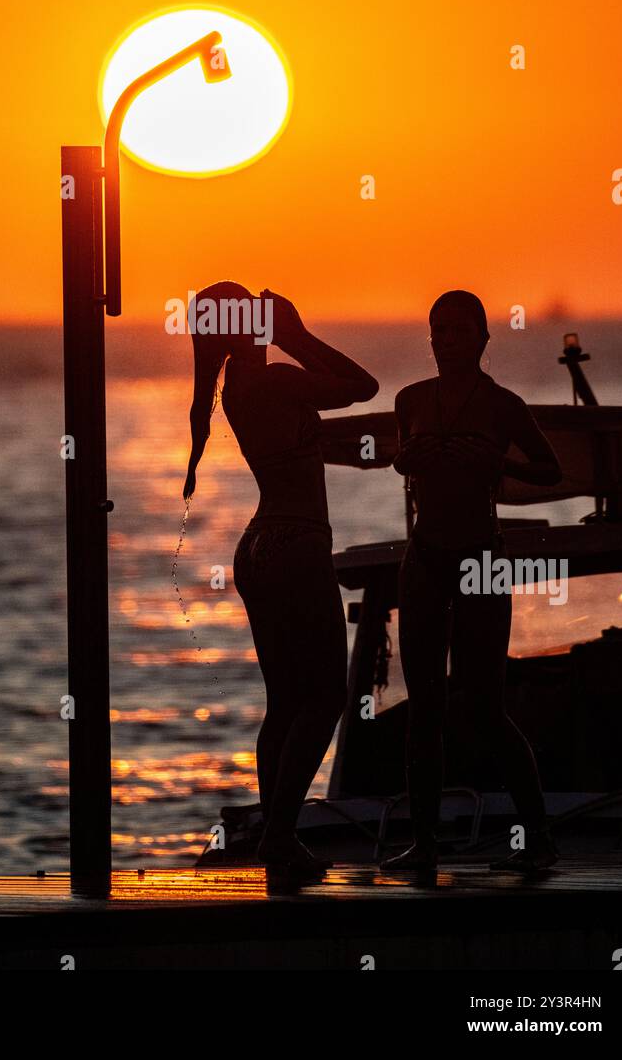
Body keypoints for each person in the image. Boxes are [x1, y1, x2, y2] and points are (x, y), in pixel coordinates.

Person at [183, 282, 378, 870]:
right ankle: (279, 834)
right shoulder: (274, 380)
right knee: (327, 697)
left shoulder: (236, 388)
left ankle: (277, 836)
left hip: (259, 547)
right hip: (297, 543)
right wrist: (297, 335)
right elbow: (363, 386)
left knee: (285, 703)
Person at [382, 290, 562, 874]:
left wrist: (496, 463)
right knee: (424, 709)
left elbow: (551, 469)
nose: (446, 341)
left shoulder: (504, 406)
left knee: (485, 707)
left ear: (483, 338)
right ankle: (424, 846)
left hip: (482, 559)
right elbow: (400, 458)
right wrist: (409, 458)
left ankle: (538, 839)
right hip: (424, 560)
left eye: (459, 330)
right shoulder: (410, 399)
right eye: (438, 330)